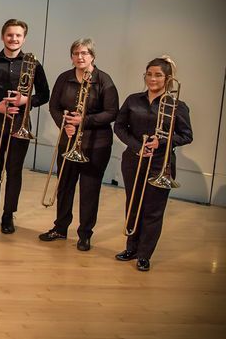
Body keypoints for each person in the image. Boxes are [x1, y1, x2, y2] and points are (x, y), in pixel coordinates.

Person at [38, 39, 118, 251]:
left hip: (96, 144)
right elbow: (54, 106)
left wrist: (84, 121)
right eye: (75, 53)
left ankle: (85, 234)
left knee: (89, 190)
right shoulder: (65, 78)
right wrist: (64, 125)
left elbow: (112, 112)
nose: (80, 57)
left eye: (84, 53)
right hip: (69, 139)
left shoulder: (104, 80)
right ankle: (60, 228)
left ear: (92, 56)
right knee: (64, 186)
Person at [0, 19, 49, 234]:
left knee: (14, 171)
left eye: (18, 35)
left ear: (24, 38)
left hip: (20, 123)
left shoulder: (33, 64)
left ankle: (8, 215)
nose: (14, 39)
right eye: (10, 35)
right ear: (3, 36)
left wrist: (26, 101)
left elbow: (45, 95)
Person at [114, 56, 192, 272]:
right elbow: (119, 127)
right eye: (149, 74)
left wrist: (162, 141)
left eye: (158, 75)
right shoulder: (133, 100)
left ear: (168, 79)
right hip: (133, 159)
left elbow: (186, 135)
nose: (152, 78)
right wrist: (138, 146)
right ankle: (131, 247)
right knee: (133, 204)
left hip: (161, 163)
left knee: (153, 210)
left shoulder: (177, 105)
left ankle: (144, 254)